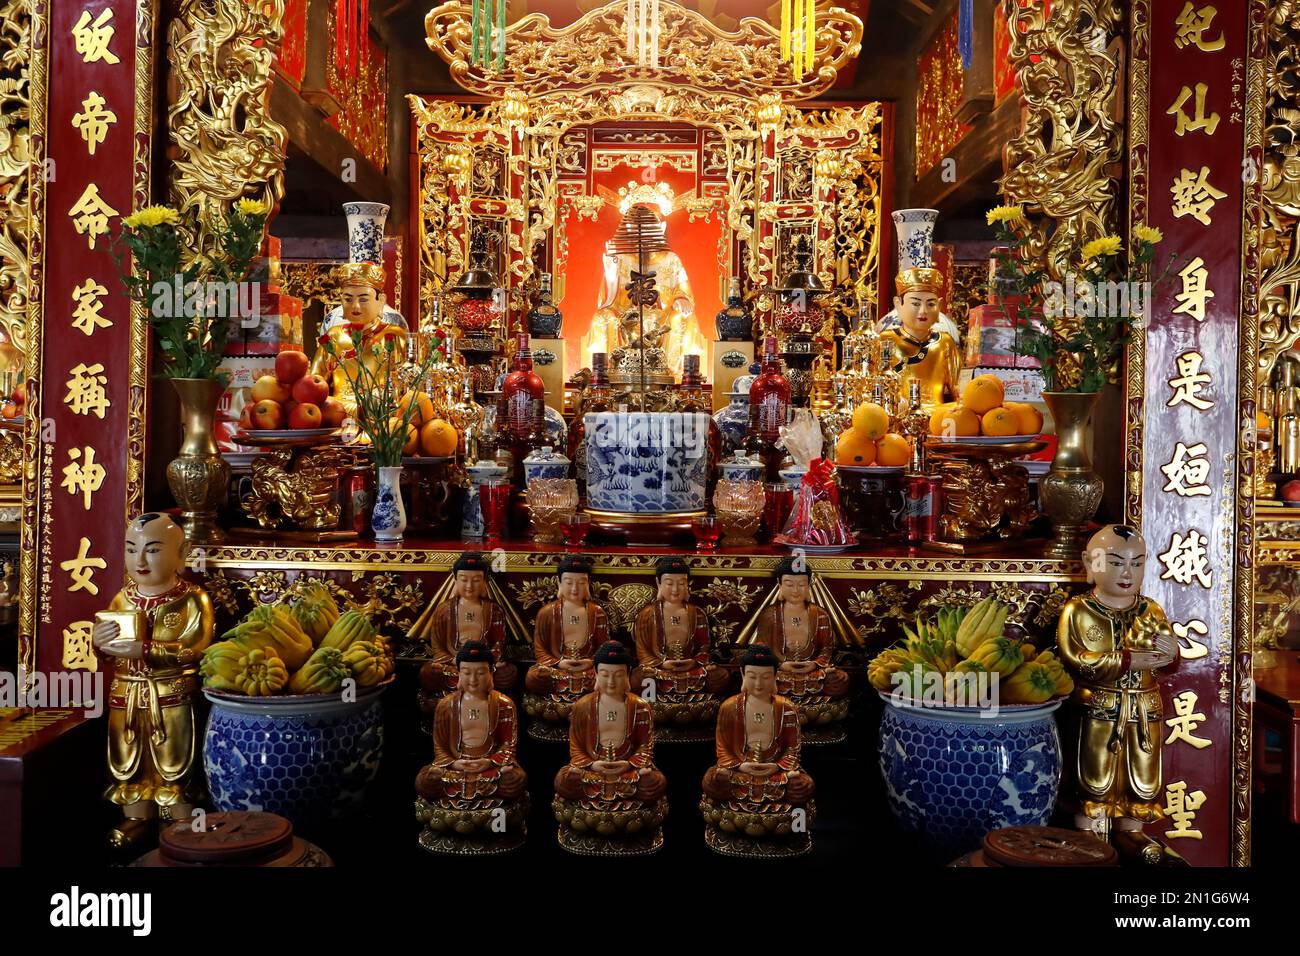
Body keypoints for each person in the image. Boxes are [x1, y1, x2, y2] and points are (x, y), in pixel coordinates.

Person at [92, 513, 215, 847]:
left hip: (171, 694)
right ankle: (136, 817)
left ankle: (182, 819)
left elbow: (197, 651)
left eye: (153, 550)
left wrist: (145, 649)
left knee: (175, 762)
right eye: (131, 550)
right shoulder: (123, 598)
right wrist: (99, 643)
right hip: (127, 694)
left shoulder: (193, 599)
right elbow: (109, 651)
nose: (140, 560)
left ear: (182, 552)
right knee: (130, 760)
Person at [1057, 524, 1179, 842]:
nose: (1127, 572)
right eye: (1115, 562)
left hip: (1143, 708)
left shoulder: (1150, 609)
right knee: (1093, 781)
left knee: (1141, 781)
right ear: (1090, 563)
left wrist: (1171, 654)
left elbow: (1167, 659)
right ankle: (1090, 840)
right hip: (1098, 707)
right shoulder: (1079, 610)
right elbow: (1076, 658)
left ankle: (1132, 837)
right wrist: (1127, 660)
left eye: (1137, 563)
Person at [553, 640, 667, 803]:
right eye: (605, 675)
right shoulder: (583, 706)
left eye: (618, 675)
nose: (612, 682)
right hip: (593, 768)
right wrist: (592, 765)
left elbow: (645, 746)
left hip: (627, 768)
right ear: (596, 674)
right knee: (565, 780)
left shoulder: (640, 706)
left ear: (628, 674)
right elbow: (576, 747)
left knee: (653, 781)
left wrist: (629, 765)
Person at [415, 641, 527, 803]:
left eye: (481, 673)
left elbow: (508, 744)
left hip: (490, 765)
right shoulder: (446, 705)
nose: (473, 680)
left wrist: (488, 761)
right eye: (467, 673)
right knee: (427, 780)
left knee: (514, 779)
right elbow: (440, 746)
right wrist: (454, 763)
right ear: (458, 673)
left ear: (491, 673)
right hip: (456, 764)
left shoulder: (504, 704)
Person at [703, 644, 814, 806]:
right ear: (742, 674)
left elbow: (792, 748)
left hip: (776, 770)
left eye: (766, 677)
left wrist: (777, 767)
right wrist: (739, 766)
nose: (758, 684)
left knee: (801, 785)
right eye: (752, 676)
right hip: (740, 769)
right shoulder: (729, 707)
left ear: (776, 676)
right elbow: (723, 749)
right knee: (714, 781)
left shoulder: (786, 708)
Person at [412, 552, 516, 709]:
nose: (469, 586)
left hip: (484, 664)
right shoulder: (444, 610)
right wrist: (454, 660)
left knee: (508, 673)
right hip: (453, 663)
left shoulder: (494, 610)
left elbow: (498, 643)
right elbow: (438, 648)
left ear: (484, 581)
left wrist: (487, 660)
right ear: (455, 579)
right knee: (428, 673)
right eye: (464, 579)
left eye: (476, 580)